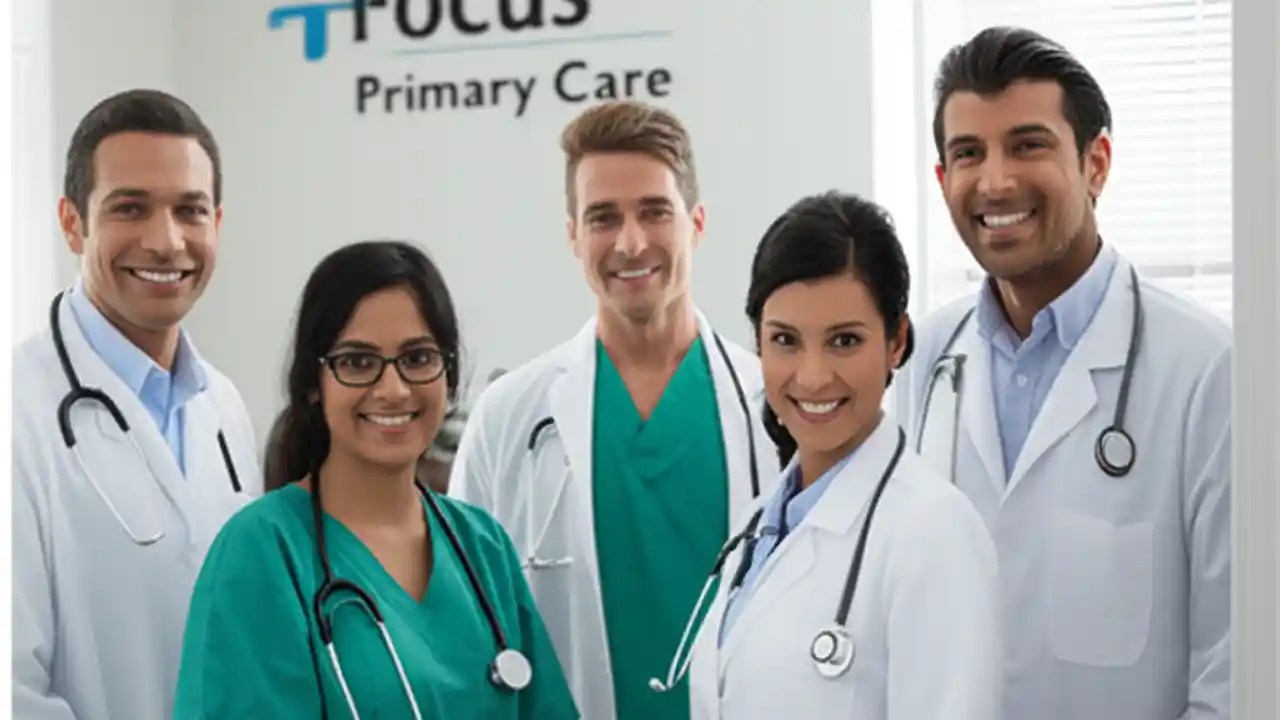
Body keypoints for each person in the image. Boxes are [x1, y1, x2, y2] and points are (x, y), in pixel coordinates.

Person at [895, 26, 1231, 719]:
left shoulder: (1208, 371)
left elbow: (1234, 669)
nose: (994, 181)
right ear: (942, 180)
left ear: (1096, 163)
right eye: (968, 154)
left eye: (1028, 145)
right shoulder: (921, 361)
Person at [448, 99, 780, 720]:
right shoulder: (509, 419)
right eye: (603, 218)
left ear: (697, 223)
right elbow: (465, 626)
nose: (630, 242)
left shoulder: (774, 406)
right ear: (573, 235)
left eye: (655, 212)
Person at [173, 240, 579, 719]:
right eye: (358, 362)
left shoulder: (482, 548)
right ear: (312, 384)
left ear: (448, 373)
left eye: (418, 358)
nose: (393, 389)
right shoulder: (262, 553)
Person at [671, 191, 1001, 718]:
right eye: (785, 340)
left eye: (844, 341)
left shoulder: (935, 533)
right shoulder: (759, 525)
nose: (814, 375)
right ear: (758, 341)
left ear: (896, 341)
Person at [11, 89, 260, 720]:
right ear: (72, 222)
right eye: (130, 208)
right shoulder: (17, 410)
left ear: (219, 225)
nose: (166, 241)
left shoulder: (223, 409)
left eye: (190, 210)